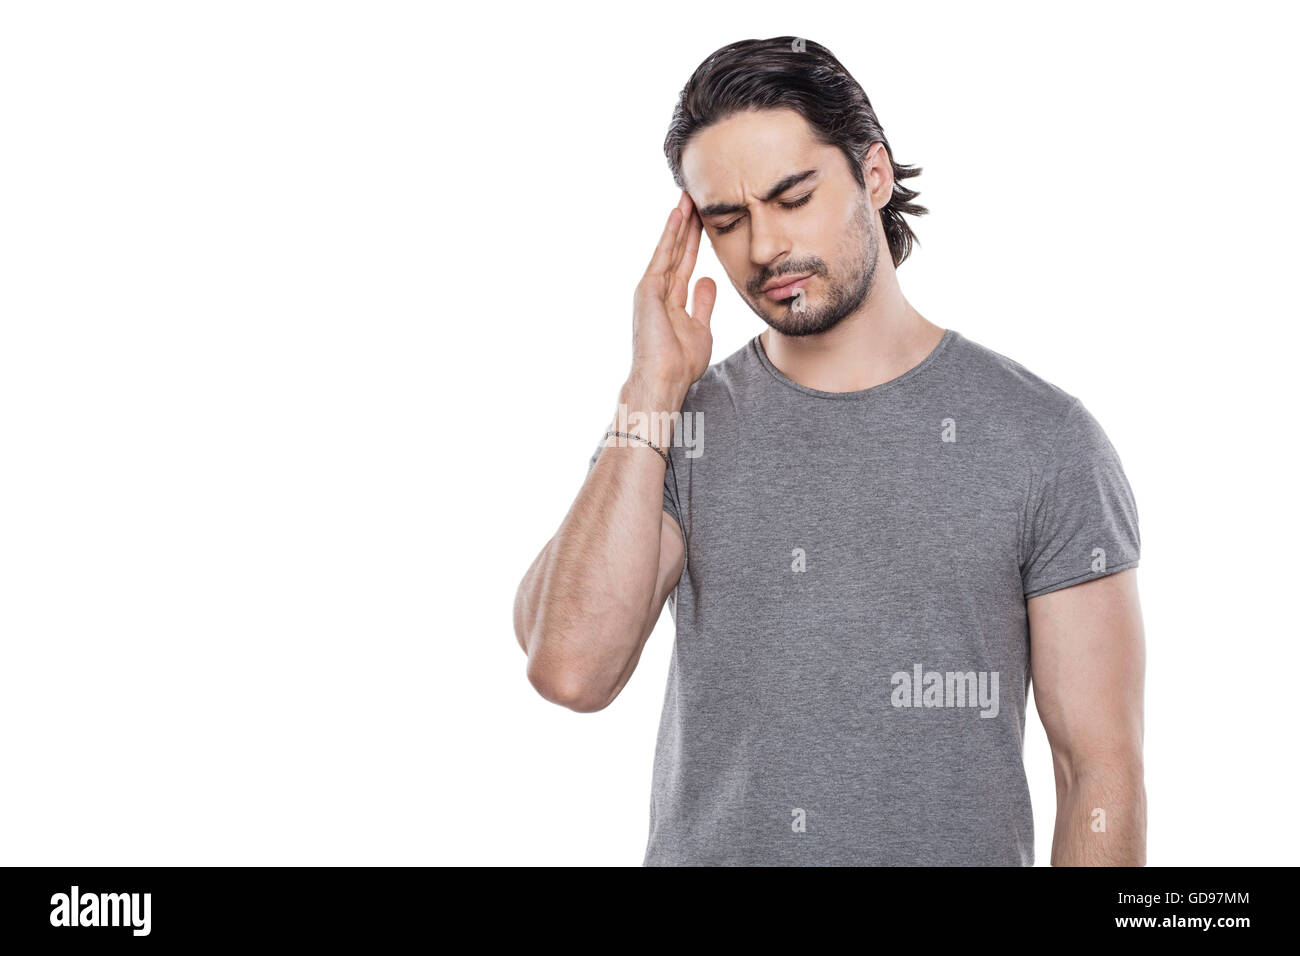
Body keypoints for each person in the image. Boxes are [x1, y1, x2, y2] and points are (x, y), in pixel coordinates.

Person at [513, 37, 1145, 866]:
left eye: (792, 197)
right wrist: (649, 388)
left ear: (872, 175)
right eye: (728, 220)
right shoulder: (676, 428)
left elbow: (1097, 768)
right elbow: (571, 670)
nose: (764, 247)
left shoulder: (1042, 438)